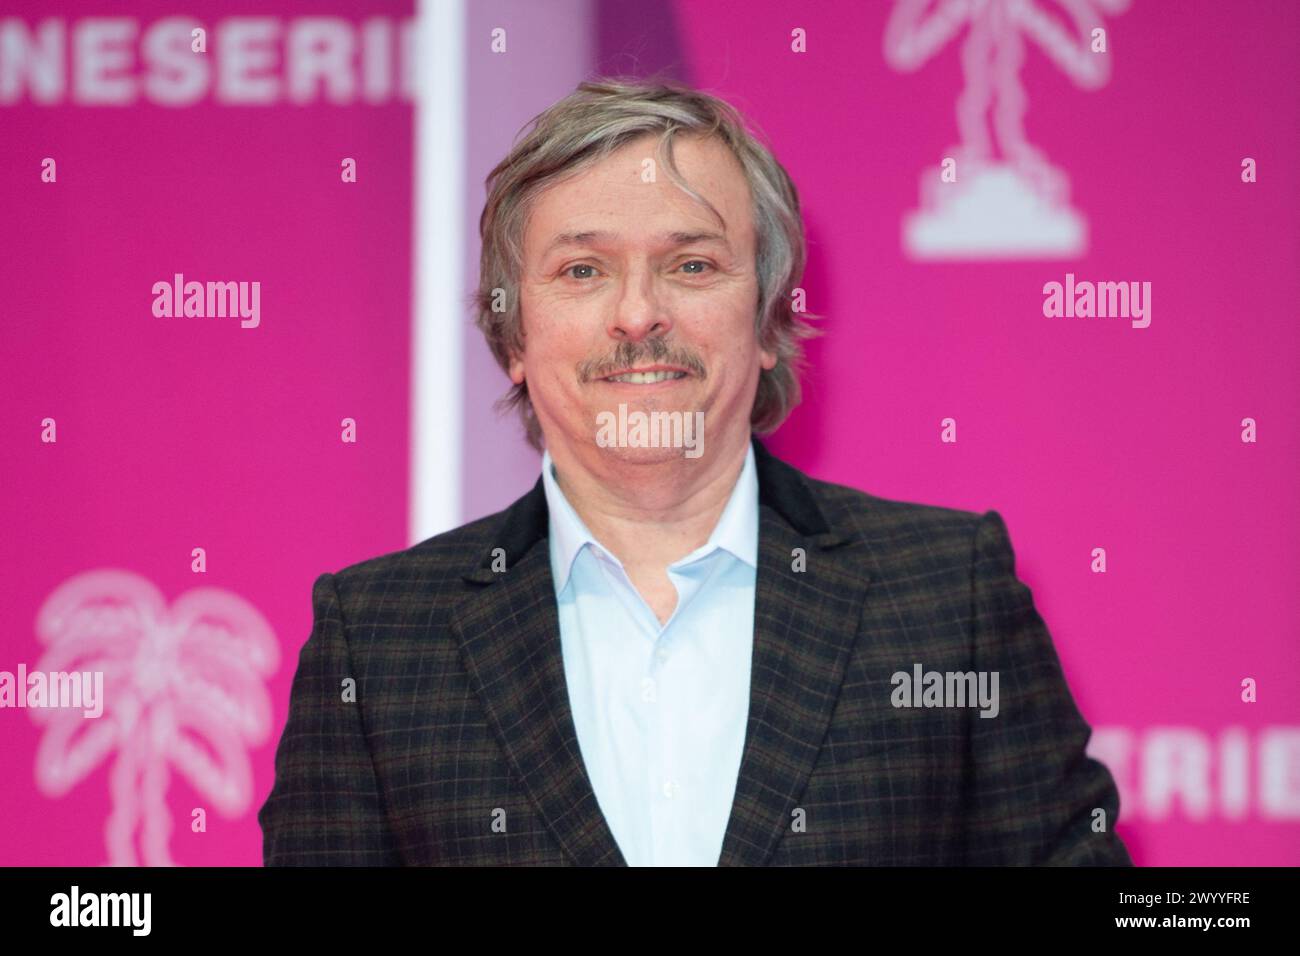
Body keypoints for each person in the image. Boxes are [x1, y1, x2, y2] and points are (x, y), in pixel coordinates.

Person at [258, 77, 1132, 866]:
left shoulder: (949, 594)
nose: (639, 313)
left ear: (765, 320)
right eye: (583, 270)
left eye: (692, 265)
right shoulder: (378, 640)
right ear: (514, 334)